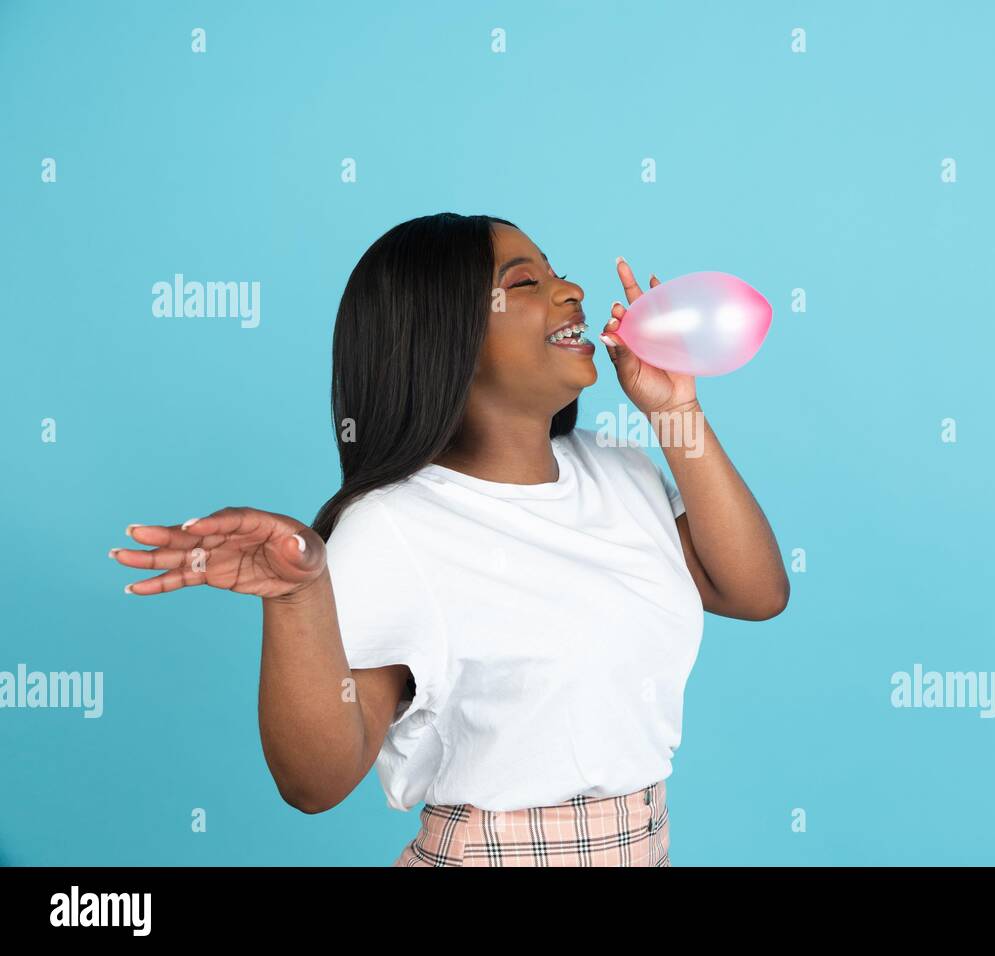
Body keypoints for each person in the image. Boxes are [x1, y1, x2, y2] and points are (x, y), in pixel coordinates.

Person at [111, 213, 789, 866]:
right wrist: (295, 600)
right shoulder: (393, 529)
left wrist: (677, 413)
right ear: (445, 338)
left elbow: (756, 592)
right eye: (526, 282)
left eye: (556, 272)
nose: (572, 290)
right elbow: (316, 784)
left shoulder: (622, 470)